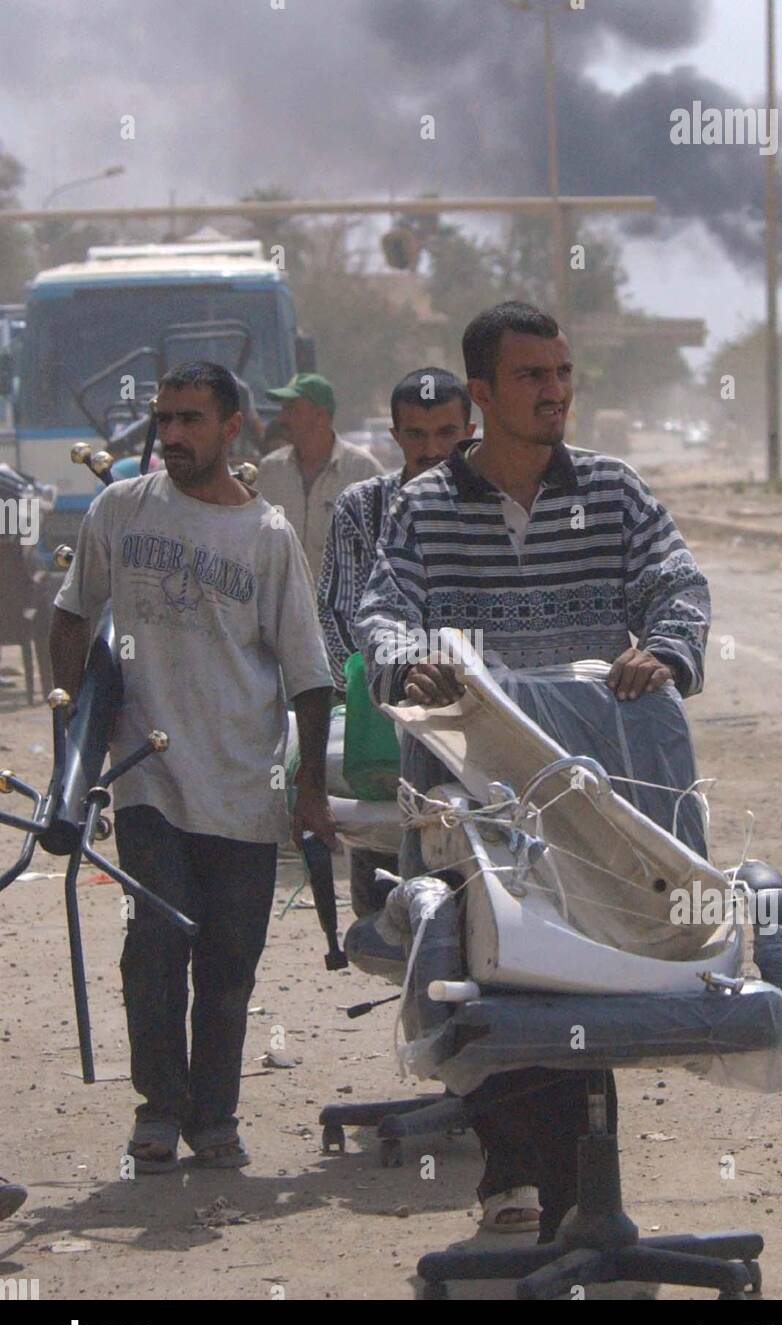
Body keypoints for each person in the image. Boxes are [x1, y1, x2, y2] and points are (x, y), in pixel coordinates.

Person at [356, 301, 711, 1239]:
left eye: (560, 374)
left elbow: (675, 583)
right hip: (473, 807)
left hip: (590, 807)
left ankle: (581, 1206)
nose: (553, 392)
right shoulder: (423, 507)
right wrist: (408, 665)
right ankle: (514, 1180)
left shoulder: (613, 491)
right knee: (501, 985)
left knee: (589, 989)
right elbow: (384, 610)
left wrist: (665, 651)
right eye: (530, 377)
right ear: (481, 394)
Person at [50, 361, 335, 1174]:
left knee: (226, 963)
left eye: (191, 420)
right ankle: (158, 1109)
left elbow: (308, 677)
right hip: (147, 775)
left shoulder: (267, 537)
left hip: (244, 786)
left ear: (231, 427)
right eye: (164, 420)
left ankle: (215, 1119)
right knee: (156, 940)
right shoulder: (120, 509)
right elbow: (72, 617)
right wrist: (73, 740)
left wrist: (309, 788)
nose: (172, 435)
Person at [317, 367, 475, 917]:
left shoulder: (489, 506)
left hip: (480, 722)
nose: (432, 450)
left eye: (446, 434)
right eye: (416, 435)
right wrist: (379, 689)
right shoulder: (362, 507)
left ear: (470, 429)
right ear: (395, 435)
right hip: (387, 727)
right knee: (388, 903)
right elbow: (340, 617)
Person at [255, 372, 383, 579]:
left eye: (291, 410)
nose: (281, 418)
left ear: (320, 417)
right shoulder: (270, 470)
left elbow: (381, 552)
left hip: (339, 609)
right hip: (282, 608)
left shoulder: (363, 472)